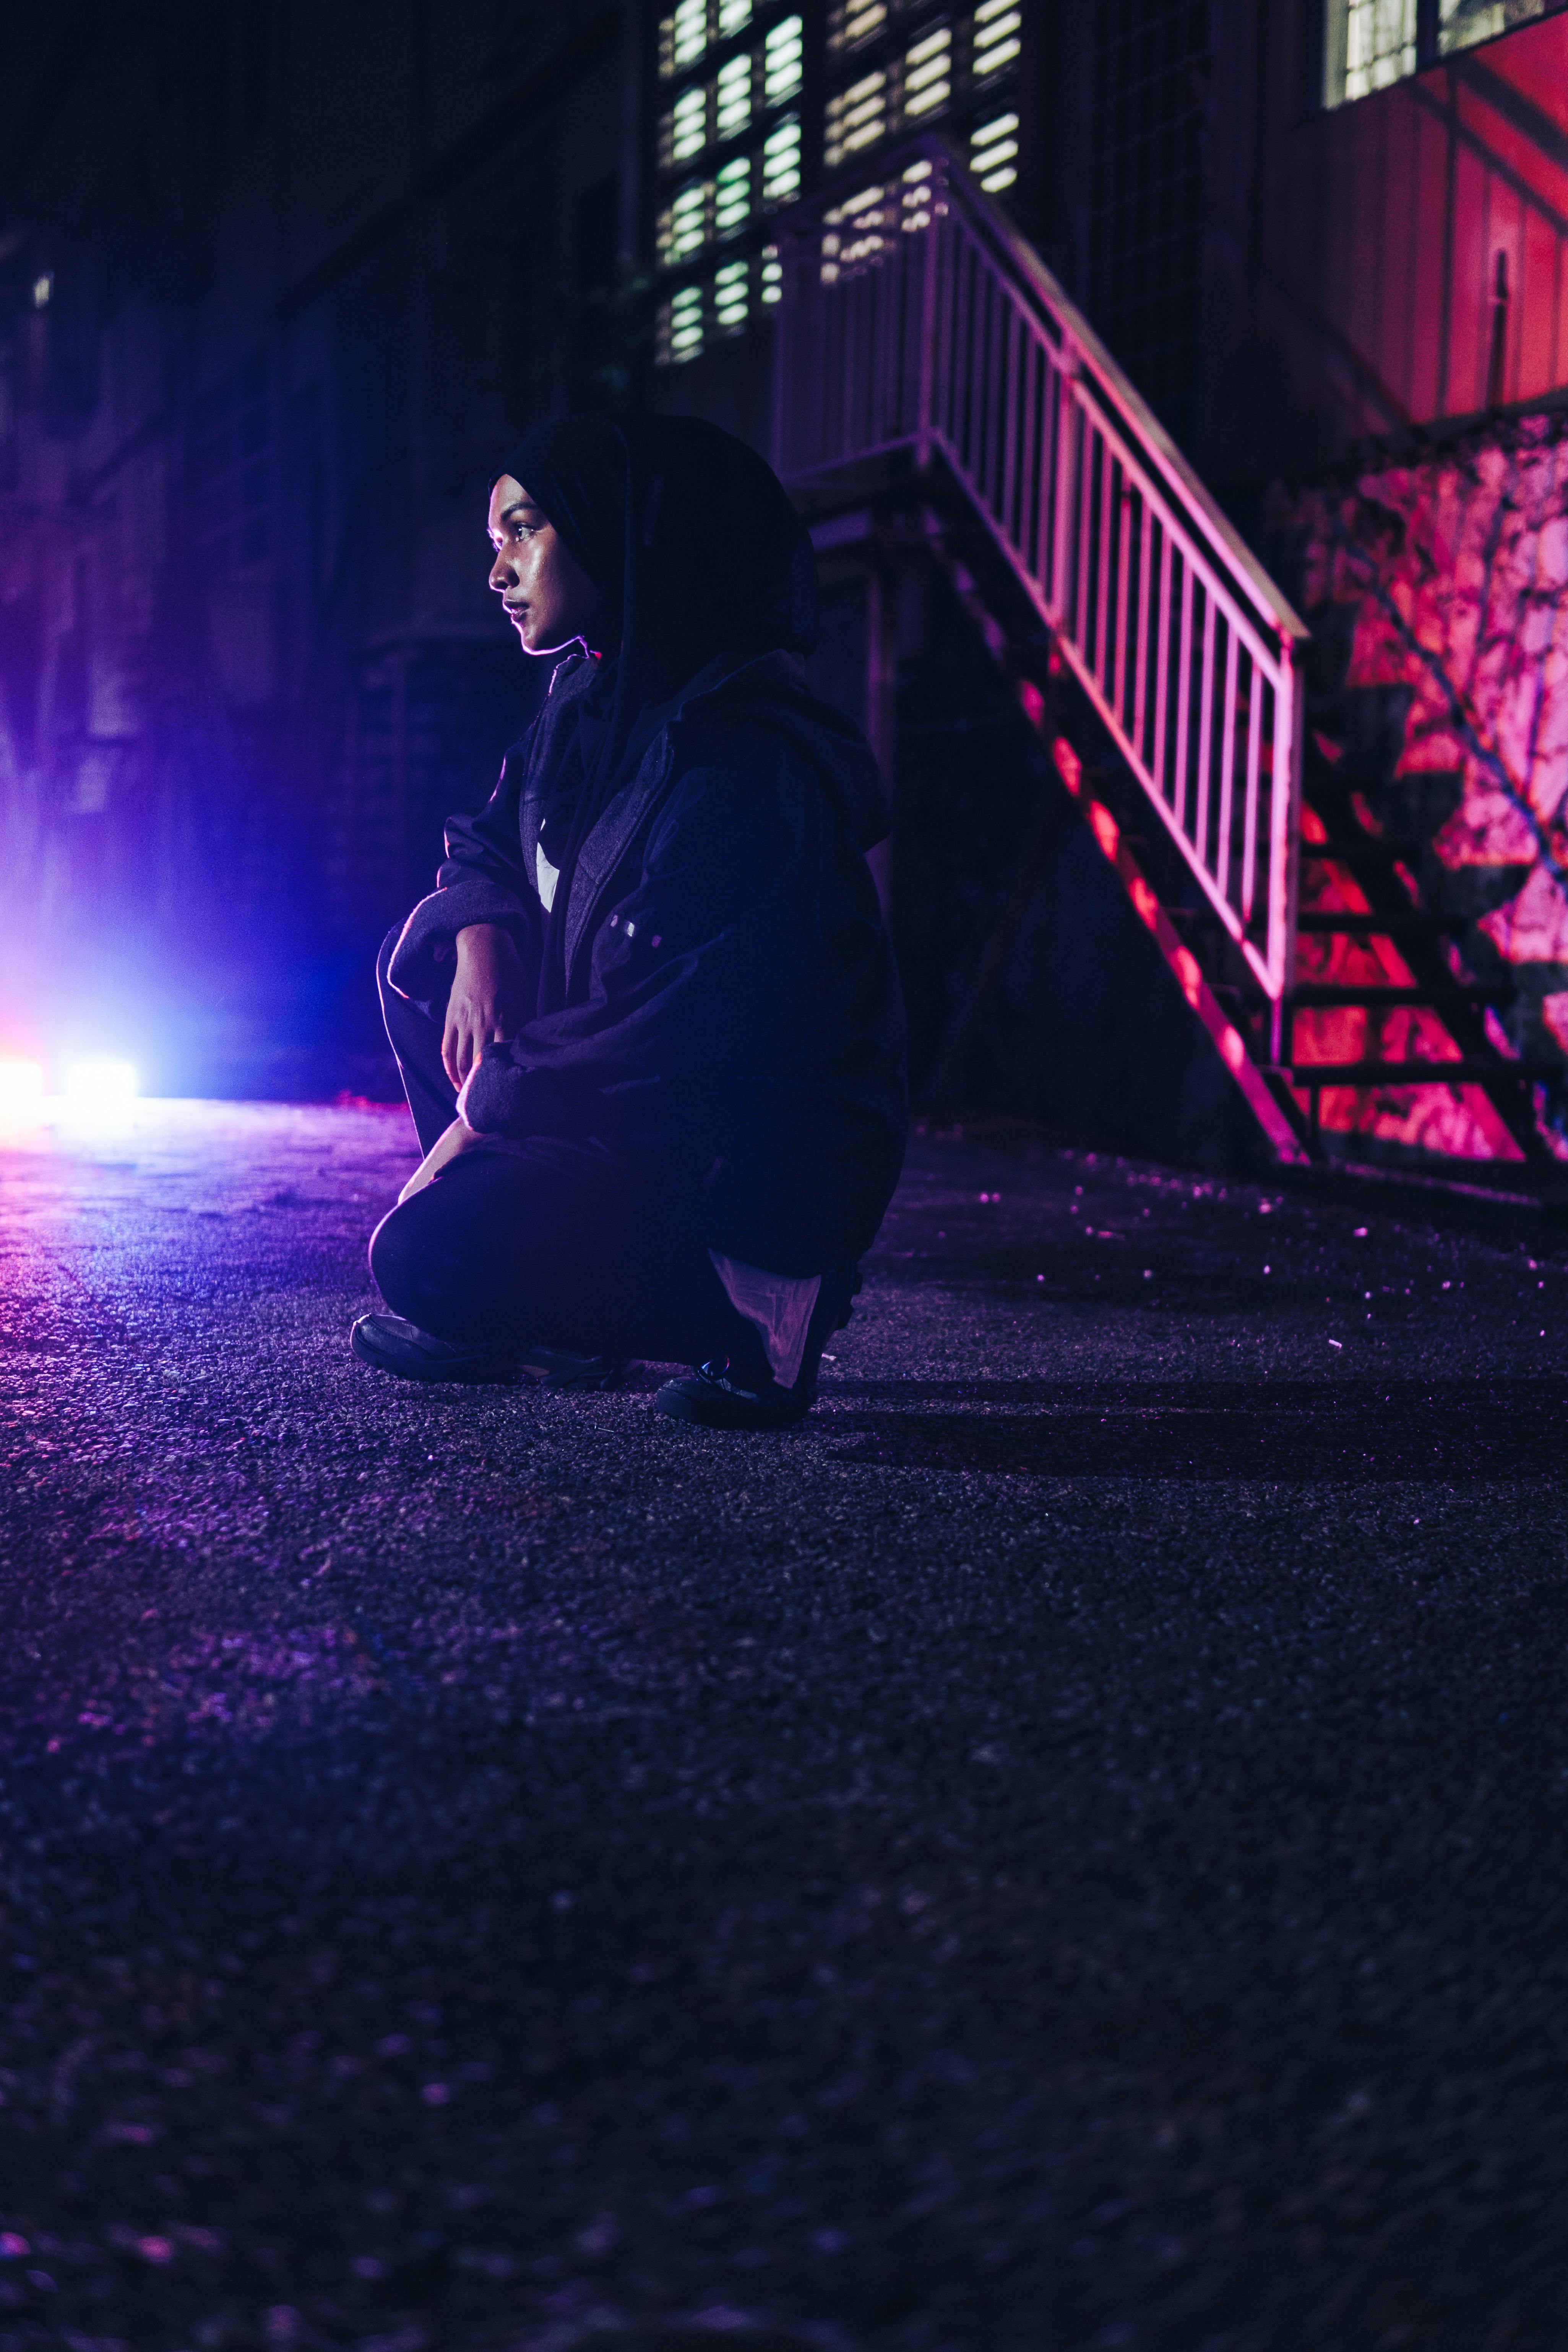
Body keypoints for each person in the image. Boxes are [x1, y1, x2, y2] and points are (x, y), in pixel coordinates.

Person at [349, 411, 906, 1430]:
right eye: (494, 543)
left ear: (617, 535)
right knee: (422, 958)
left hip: (753, 1157)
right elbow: (487, 838)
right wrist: (484, 942)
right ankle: (547, 1306)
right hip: (640, 1117)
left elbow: (673, 1022)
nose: (499, 571)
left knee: (421, 1254)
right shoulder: (587, 698)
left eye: (523, 532)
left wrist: (476, 1124)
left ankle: (766, 1309)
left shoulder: (741, 759)